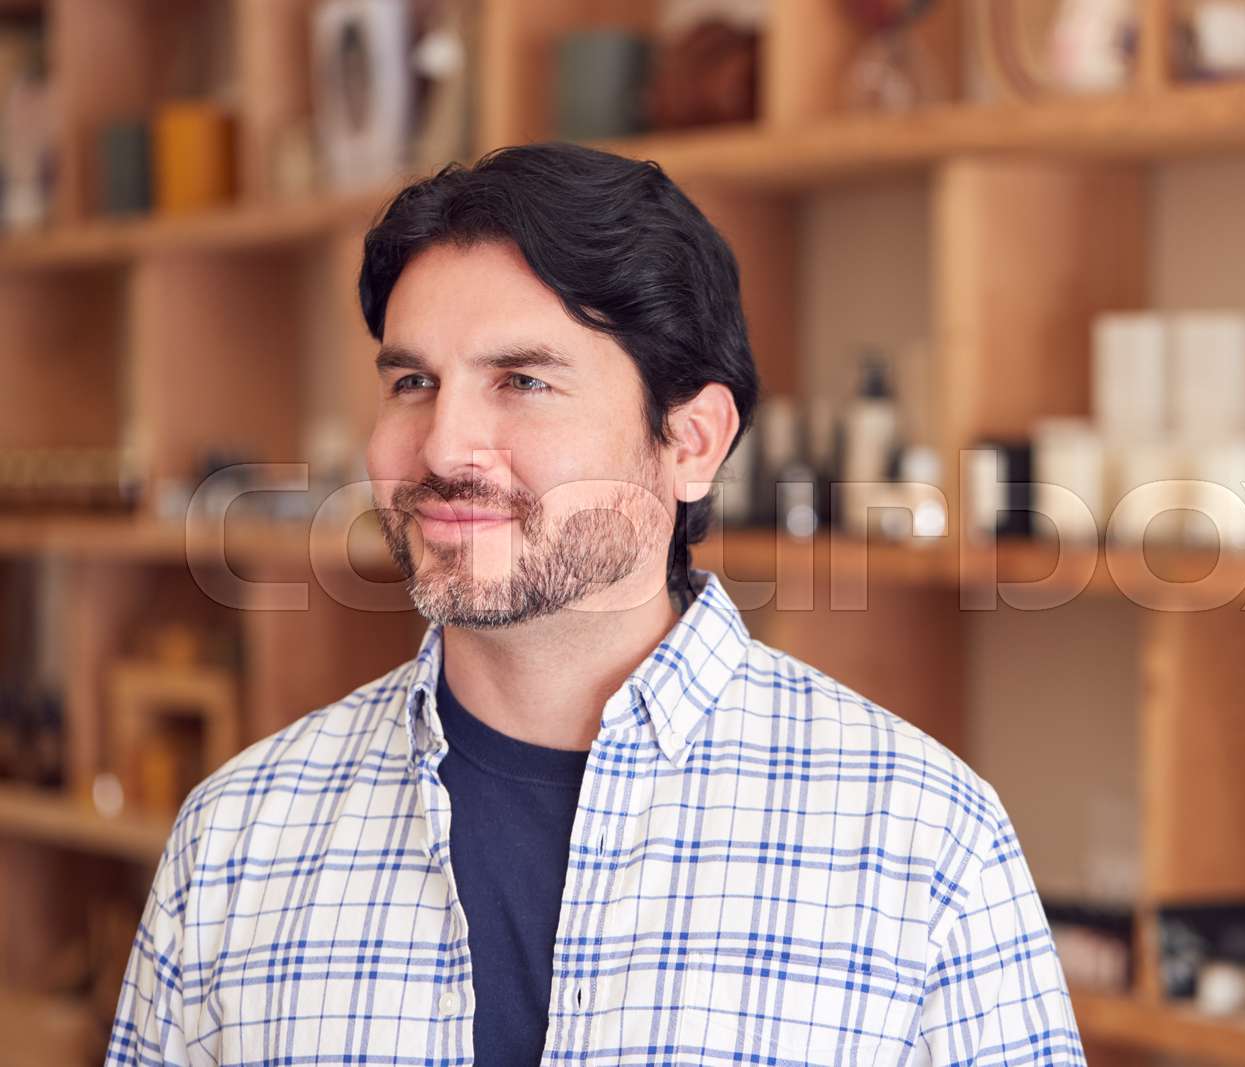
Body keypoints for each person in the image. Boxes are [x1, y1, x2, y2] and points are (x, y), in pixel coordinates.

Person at [107, 142, 1083, 1066]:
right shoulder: (235, 839)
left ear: (692, 442)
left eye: (522, 380)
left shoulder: (924, 841)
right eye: (412, 381)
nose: (441, 447)